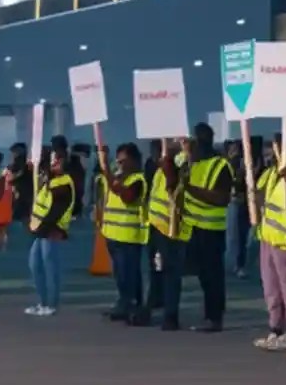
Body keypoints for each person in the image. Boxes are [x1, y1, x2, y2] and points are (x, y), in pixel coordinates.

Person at [173, 123, 235, 332]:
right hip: (192, 227)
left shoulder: (220, 165)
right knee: (201, 275)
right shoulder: (191, 162)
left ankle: (214, 317)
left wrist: (191, 188)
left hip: (211, 229)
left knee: (212, 276)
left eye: (190, 142)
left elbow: (221, 198)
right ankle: (210, 313)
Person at [253, 133, 286, 352]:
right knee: (270, 286)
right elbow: (260, 197)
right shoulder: (271, 173)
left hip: (285, 239)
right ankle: (276, 328)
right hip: (267, 237)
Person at [98, 143, 150, 324]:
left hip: (129, 236)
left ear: (134, 161)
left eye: (123, 161)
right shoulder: (118, 177)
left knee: (129, 274)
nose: (120, 164)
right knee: (120, 274)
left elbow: (127, 197)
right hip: (113, 234)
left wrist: (106, 168)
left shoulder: (138, 180)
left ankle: (133, 305)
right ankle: (124, 302)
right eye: (118, 160)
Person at [26, 144, 75, 316]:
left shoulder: (63, 182)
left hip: (52, 230)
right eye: (53, 159)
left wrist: (43, 227)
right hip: (41, 230)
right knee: (35, 264)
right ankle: (43, 302)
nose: (54, 163)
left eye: (57, 160)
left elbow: (56, 210)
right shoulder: (49, 179)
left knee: (50, 266)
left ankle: (51, 304)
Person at [145, 142, 190, 330]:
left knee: (171, 273)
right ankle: (153, 306)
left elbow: (174, 185)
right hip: (156, 227)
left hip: (172, 229)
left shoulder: (182, 161)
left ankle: (171, 315)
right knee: (157, 270)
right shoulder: (162, 164)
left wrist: (167, 163)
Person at [226, 140, 253, 279]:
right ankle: (233, 263)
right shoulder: (226, 164)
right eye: (232, 149)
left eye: (236, 149)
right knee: (233, 236)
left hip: (242, 203)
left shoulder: (244, 164)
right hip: (231, 202)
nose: (234, 152)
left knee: (241, 235)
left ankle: (239, 264)